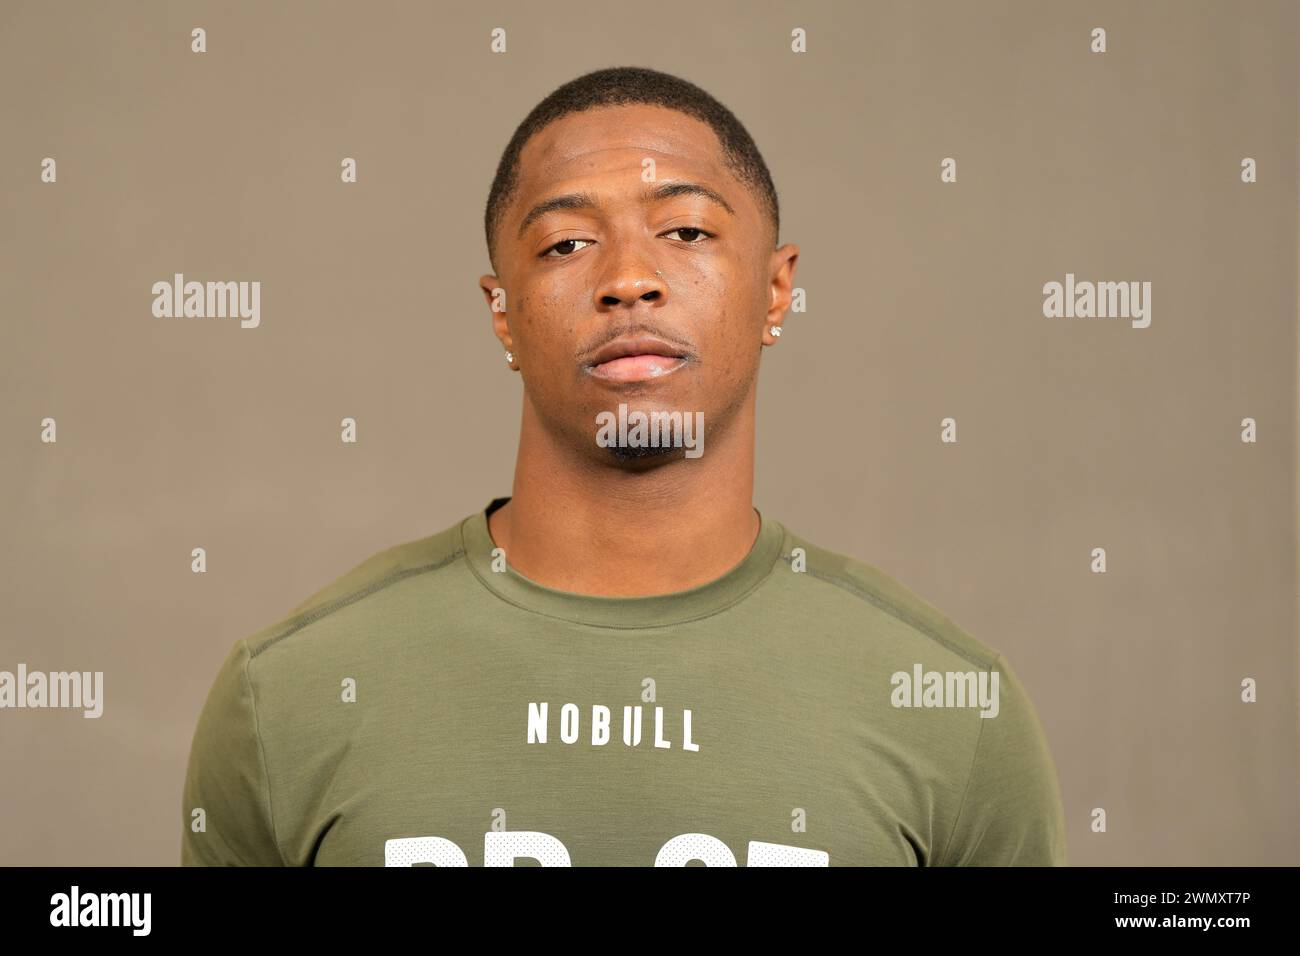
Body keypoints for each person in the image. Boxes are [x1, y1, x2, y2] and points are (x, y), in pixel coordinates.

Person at [182, 65, 1067, 867]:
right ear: (502, 313)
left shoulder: (953, 707)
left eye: (685, 230)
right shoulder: (287, 694)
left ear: (775, 289)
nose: (630, 279)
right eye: (566, 244)